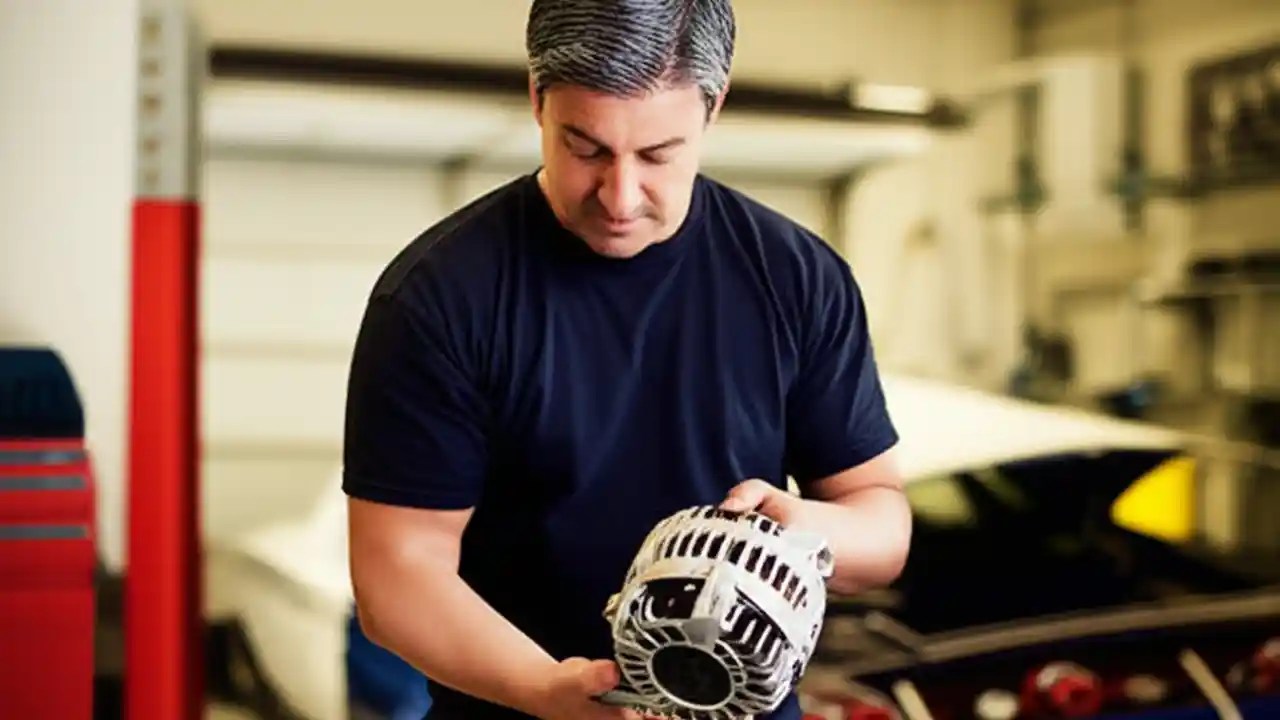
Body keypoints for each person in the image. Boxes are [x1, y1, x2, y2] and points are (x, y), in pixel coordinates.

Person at [341, 1, 913, 718]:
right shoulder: (441, 297)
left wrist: (803, 529)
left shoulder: (796, 278)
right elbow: (397, 578)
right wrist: (548, 692)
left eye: (657, 155)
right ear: (536, 100)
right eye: (585, 148)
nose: (619, 196)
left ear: (714, 106)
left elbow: (882, 523)